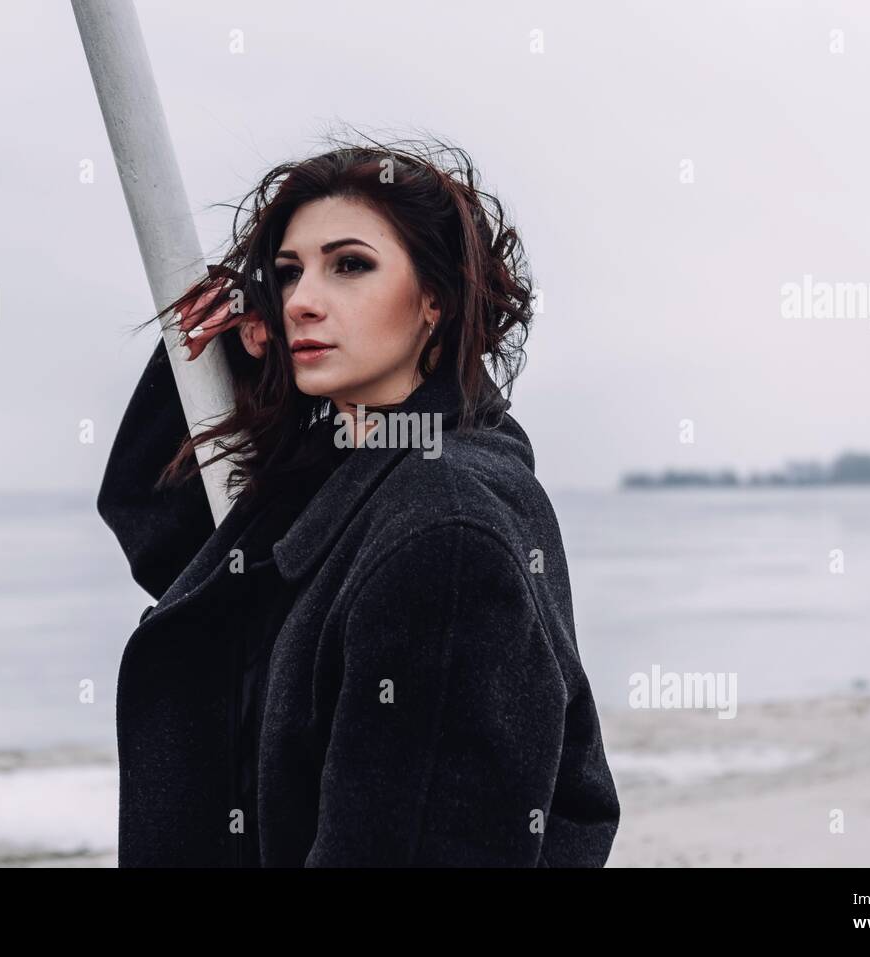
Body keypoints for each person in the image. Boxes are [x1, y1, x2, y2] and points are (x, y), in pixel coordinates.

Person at [97, 137, 621, 866]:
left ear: (434, 299)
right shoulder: (351, 467)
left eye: (350, 265)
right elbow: (177, 549)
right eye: (286, 275)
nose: (302, 301)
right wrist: (215, 358)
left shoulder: (443, 527)